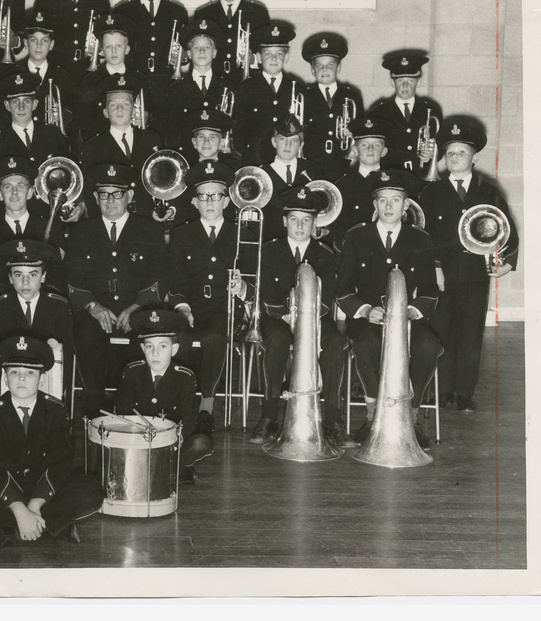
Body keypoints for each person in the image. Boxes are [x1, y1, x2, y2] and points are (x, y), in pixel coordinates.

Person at [0, 335, 104, 550]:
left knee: (91, 489)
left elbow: (60, 461)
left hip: (46, 492)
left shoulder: (56, 410)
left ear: (42, 380)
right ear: (5, 378)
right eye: (14, 372)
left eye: (30, 373)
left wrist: (34, 505)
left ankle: (10, 528)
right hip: (8, 491)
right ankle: (52, 524)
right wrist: (19, 509)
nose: (21, 378)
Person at [419, 116, 519, 412]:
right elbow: (422, 235)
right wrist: (434, 267)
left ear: (474, 157)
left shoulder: (488, 192)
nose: (454, 157)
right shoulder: (431, 192)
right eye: (449, 152)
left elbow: (507, 230)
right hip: (442, 275)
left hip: (476, 275)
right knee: (441, 331)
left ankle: (464, 393)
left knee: (471, 334)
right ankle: (441, 391)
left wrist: (508, 263)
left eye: (461, 152)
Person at [336, 169, 442, 448]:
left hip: (407, 320)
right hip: (369, 320)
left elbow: (430, 291)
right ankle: (373, 416)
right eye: (382, 200)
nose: (388, 206)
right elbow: (342, 288)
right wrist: (364, 310)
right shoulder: (356, 237)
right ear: (375, 204)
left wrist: (411, 311)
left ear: (406, 205)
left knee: (428, 345)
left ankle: (411, 417)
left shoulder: (420, 239)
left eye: (395, 200)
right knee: (367, 342)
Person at [245, 187, 349, 447]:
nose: (300, 226)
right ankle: (270, 415)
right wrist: (288, 316)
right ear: (284, 221)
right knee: (278, 339)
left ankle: (333, 418)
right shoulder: (268, 251)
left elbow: (327, 298)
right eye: (294, 219)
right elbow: (264, 294)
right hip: (278, 319)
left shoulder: (325, 254)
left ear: (315, 224)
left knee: (335, 341)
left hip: (315, 321)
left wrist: (305, 320)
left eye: (306, 220)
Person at [67, 162, 169, 417]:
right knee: (83, 336)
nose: (110, 201)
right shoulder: (80, 232)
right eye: (104, 194)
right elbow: (72, 277)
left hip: (137, 309)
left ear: (130, 196)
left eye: (117, 194)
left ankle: (136, 407)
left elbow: (159, 276)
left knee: (147, 340)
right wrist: (93, 306)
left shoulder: (150, 230)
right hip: (95, 311)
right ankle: (94, 407)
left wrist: (137, 307)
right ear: (95, 197)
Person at [168, 160, 239, 432]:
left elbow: (253, 279)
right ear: (194, 201)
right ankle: (180, 403)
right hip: (191, 307)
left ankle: (206, 407)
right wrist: (182, 307)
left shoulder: (241, 234)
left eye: (216, 196)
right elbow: (175, 278)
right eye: (203, 196)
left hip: (225, 309)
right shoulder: (182, 234)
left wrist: (244, 289)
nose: (209, 202)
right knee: (179, 338)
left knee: (215, 337)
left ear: (226, 201)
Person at [116, 309, 213, 484]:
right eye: (149, 346)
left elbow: (189, 419)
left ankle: (163, 468)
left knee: (201, 443)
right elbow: (124, 413)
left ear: (174, 349)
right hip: (139, 439)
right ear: (142, 348)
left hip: (170, 442)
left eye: (162, 346)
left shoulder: (185, 377)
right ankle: (172, 470)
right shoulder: (132, 372)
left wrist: (171, 439)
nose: (155, 353)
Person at [0, 239, 74, 390]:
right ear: (10, 278)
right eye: (18, 275)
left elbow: (66, 352)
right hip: (9, 382)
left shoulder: (58, 306)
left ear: (43, 277)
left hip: (47, 381)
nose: (25, 282)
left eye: (33, 275)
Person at [0, 154, 68, 299]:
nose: (14, 192)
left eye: (20, 186)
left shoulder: (51, 228)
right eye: (8, 187)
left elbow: (59, 274)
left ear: (30, 192)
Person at [79, 73, 163, 219]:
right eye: (113, 105)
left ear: (134, 110)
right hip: (110, 219)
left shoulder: (151, 140)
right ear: (105, 112)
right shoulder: (93, 146)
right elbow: (88, 190)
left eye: (125, 104)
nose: (119, 109)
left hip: (147, 218)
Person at [112, 0, 188, 89]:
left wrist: (182, 56)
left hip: (167, 84)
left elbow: (184, 57)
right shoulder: (122, 11)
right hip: (133, 83)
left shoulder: (177, 12)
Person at [232, 22, 304, 165]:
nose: (274, 58)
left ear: (286, 57)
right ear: (258, 57)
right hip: (254, 159)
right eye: (268, 54)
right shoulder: (246, 88)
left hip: (287, 160)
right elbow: (239, 128)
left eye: (279, 54)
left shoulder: (296, 88)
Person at [163, 17, 237, 154]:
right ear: (189, 54)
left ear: (214, 53)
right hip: (187, 155)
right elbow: (171, 131)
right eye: (196, 48)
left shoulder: (228, 87)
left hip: (219, 156)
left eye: (207, 47)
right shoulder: (175, 89)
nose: (202, 51)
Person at [196, 0, 271, 83]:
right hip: (213, 82)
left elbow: (268, 51)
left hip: (248, 82)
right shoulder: (204, 14)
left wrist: (253, 59)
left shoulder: (258, 13)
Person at [298, 32, 366, 181]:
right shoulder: (303, 96)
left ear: (338, 67)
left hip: (343, 163)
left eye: (330, 65)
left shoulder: (352, 96)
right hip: (311, 164)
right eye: (319, 66)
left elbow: (361, 132)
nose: (324, 70)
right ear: (312, 70)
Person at [366, 52, 444, 177]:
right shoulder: (378, 112)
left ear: (418, 83)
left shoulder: (432, 111)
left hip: (422, 176)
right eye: (400, 80)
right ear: (393, 83)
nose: (405, 85)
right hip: (390, 176)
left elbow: (441, 145)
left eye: (410, 81)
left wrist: (432, 153)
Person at [1, 9, 76, 131]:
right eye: (33, 40)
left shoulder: (63, 77)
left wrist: (61, 115)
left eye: (44, 40)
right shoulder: (13, 74)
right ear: (26, 43)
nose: (39, 45)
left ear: (51, 45)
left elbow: (72, 115)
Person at [329, 117, 398, 247]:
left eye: (376, 145)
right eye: (364, 145)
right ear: (355, 151)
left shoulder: (394, 184)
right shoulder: (342, 185)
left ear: (384, 151)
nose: (370, 149)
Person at [76, 13, 144, 143]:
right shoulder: (89, 82)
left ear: (127, 49)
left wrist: (146, 116)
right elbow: (85, 123)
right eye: (108, 46)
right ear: (101, 51)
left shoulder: (140, 79)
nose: (114, 51)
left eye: (119, 46)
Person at [258, 113, 326, 241]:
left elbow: (325, 206)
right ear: (274, 142)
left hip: (305, 240)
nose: (287, 145)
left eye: (294, 140)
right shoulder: (260, 174)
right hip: (269, 241)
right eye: (282, 139)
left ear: (301, 145)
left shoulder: (314, 170)